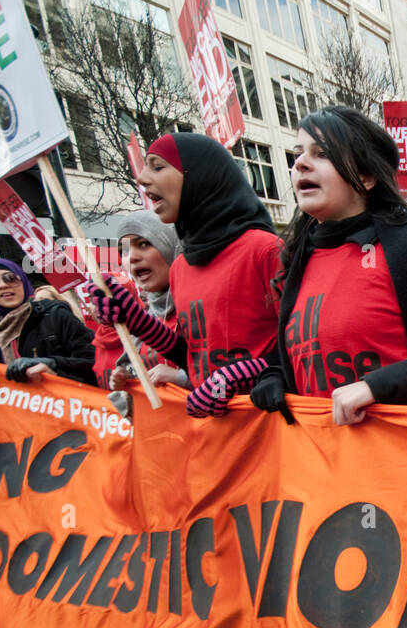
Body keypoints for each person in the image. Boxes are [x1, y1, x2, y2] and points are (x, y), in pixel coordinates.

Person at [247, 106, 407, 426]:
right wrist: (276, 376)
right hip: (322, 454)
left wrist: (376, 387)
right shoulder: (297, 257)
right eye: (297, 153)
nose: (300, 163)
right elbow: (314, 355)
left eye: (322, 153)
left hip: (401, 454)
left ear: (366, 177)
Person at [91, 134, 281, 417]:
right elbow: (193, 358)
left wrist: (248, 373)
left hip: (271, 428)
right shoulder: (180, 267)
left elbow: (304, 349)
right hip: (215, 432)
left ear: (199, 175)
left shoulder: (264, 250)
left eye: (157, 166)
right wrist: (137, 321)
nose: (142, 178)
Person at [0, 258, 97, 385]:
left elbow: (94, 363)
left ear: (23, 281)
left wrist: (53, 365)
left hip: (64, 401)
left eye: (10, 278)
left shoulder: (55, 315)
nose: (3, 285)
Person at [106, 210, 187, 392]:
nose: (131, 257)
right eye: (124, 250)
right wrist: (125, 380)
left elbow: (235, 377)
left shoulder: (207, 306)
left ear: (171, 245)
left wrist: (181, 378)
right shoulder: (144, 319)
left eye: (143, 244)